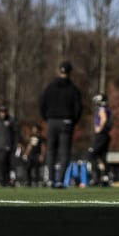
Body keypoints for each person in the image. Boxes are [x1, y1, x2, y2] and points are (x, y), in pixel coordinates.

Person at [38, 60, 83, 189]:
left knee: (51, 151)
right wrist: (73, 121)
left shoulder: (50, 87)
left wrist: (47, 118)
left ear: (59, 71)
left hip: (51, 121)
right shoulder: (73, 89)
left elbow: (42, 104)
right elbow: (78, 107)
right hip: (66, 122)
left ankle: (51, 179)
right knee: (64, 153)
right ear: (70, 72)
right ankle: (60, 180)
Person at [87, 93, 113, 187]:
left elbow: (104, 119)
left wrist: (99, 128)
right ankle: (106, 177)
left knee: (91, 154)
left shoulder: (102, 109)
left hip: (101, 135)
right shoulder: (106, 108)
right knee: (102, 157)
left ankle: (96, 177)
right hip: (105, 135)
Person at [21, 123, 45, 187]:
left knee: (37, 169)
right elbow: (29, 146)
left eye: (35, 128)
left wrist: (42, 155)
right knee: (28, 168)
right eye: (33, 129)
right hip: (31, 155)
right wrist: (26, 153)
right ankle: (29, 182)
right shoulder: (31, 137)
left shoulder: (41, 138)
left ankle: (37, 182)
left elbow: (43, 147)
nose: (34, 130)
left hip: (37, 155)